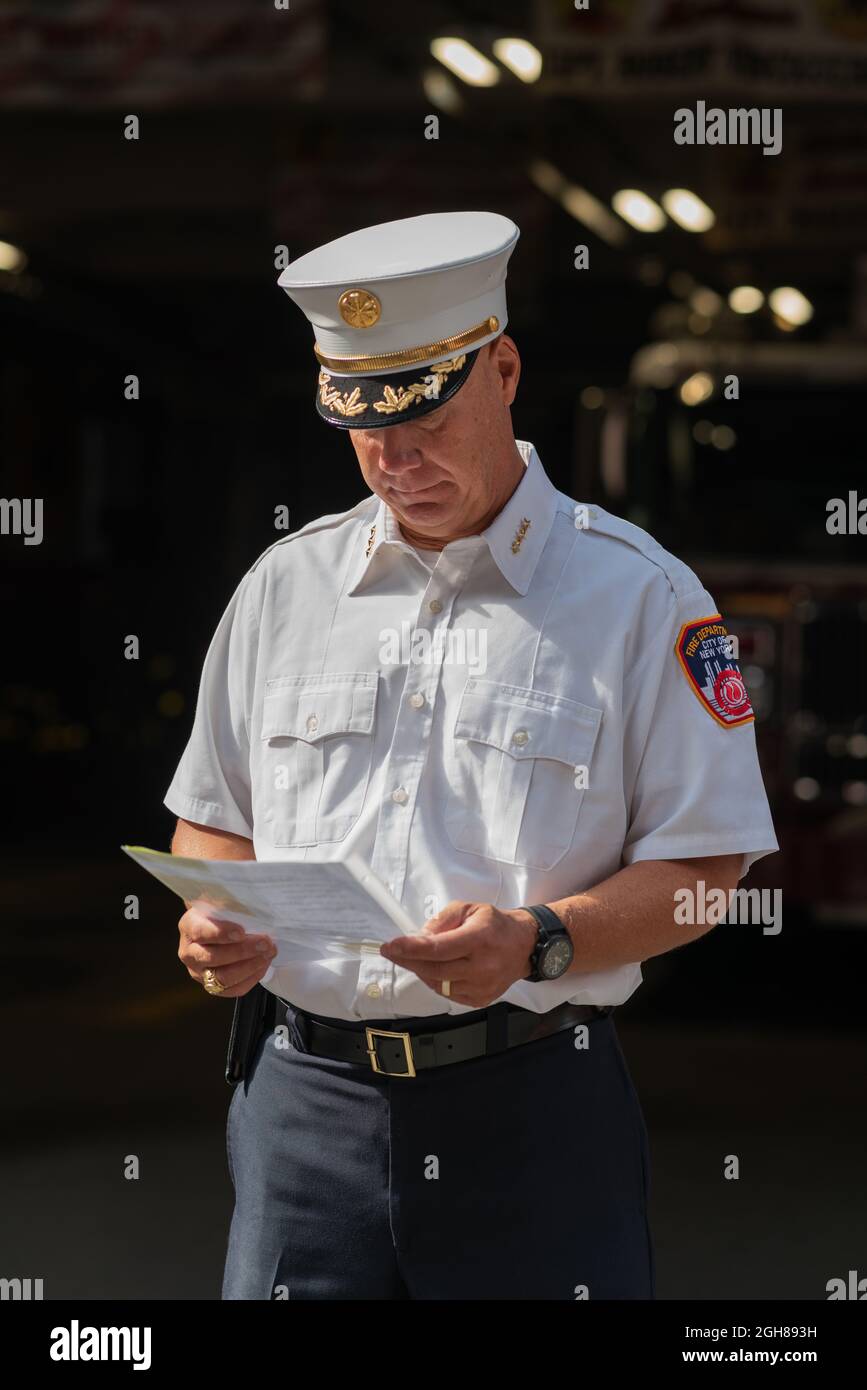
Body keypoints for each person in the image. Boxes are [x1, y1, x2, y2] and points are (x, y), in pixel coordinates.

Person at [165, 211, 778, 1300]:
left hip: (533, 1109)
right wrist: (215, 924)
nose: (395, 460)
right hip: (300, 1112)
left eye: (425, 418)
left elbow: (705, 878)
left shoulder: (641, 596)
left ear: (502, 369)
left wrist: (542, 941)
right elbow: (214, 819)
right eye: (361, 425)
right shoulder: (282, 589)